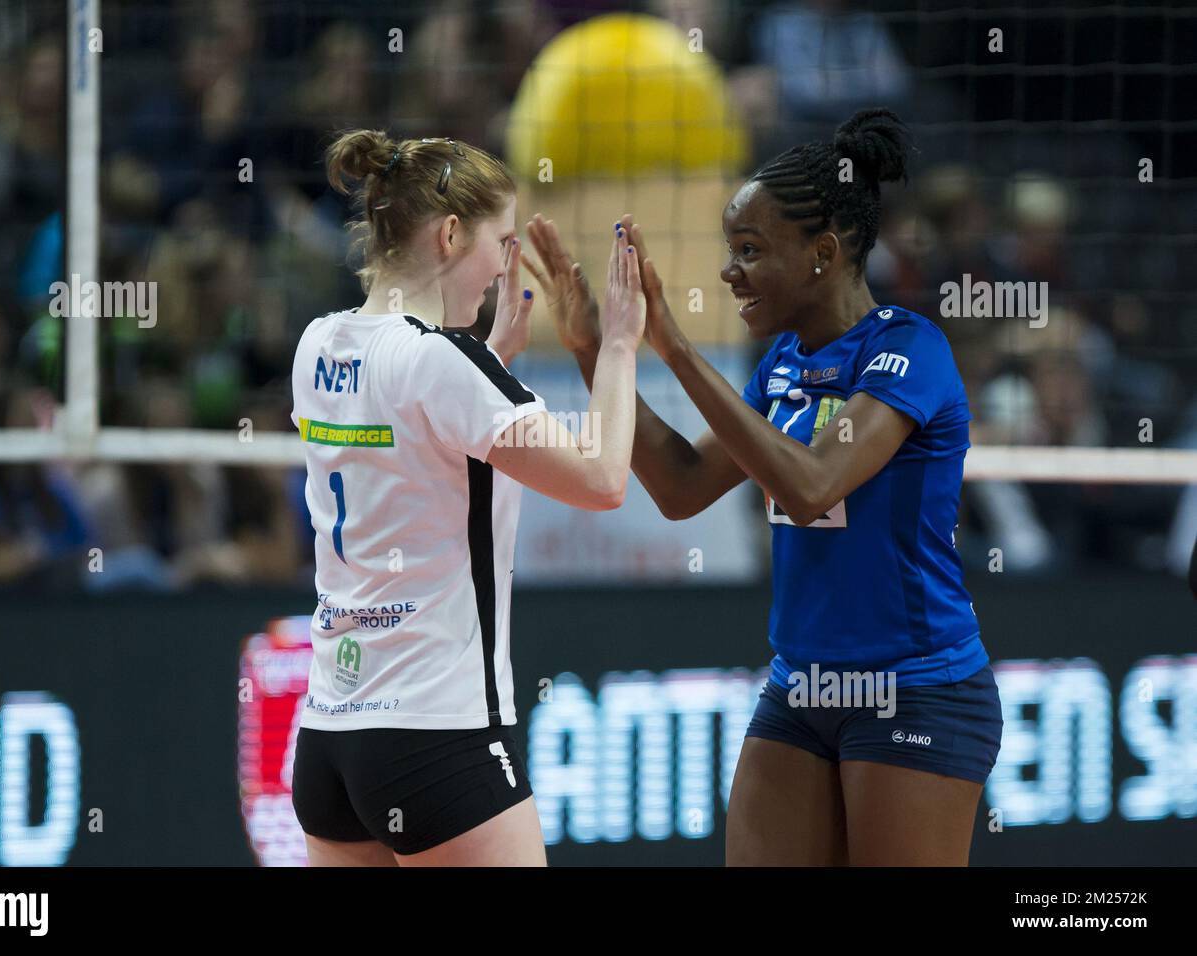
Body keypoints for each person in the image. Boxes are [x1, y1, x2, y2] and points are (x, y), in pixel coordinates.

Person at [526, 109, 1002, 866]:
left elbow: (812, 483)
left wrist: (675, 348)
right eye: (729, 250)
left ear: (822, 252)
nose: (728, 271)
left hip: (916, 688)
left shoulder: (908, 351)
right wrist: (596, 350)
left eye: (750, 250)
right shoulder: (782, 363)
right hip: (802, 688)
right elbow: (681, 486)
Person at [289, 131, 645, 867]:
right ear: (450, 233)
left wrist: (494, 360)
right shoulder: (445, 362)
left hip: (329, 745)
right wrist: (618, 346)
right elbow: (604, 479)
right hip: (438, 740)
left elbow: (412, 444)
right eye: (502, 241)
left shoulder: (317, 343)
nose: (502, 266)